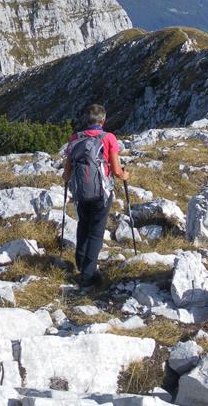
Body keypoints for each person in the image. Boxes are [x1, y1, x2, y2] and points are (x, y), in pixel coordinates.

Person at [62, 103, 129, 291]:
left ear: (86, 119)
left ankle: (80, 263)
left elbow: (66, 173)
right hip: (101, 192)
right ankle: (88, 275)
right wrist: (125, 175)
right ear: (103, 120)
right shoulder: (108, 138)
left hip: (80, 192)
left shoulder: (75, 138)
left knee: (83, 225)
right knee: (96, 231)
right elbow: (116, 170)